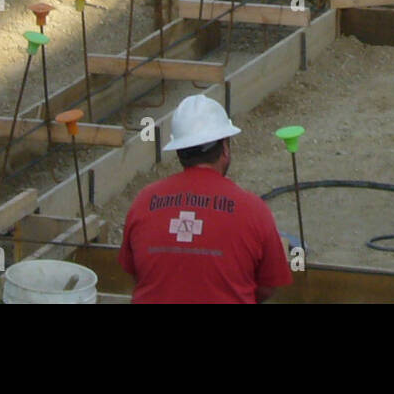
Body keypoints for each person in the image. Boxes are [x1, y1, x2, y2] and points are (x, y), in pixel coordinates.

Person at [119, 95, 292, 303]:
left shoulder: (144, 201)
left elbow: (136, 273)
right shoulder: (253, 209)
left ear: (180, 151)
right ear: (225, 148)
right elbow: (268, 287)